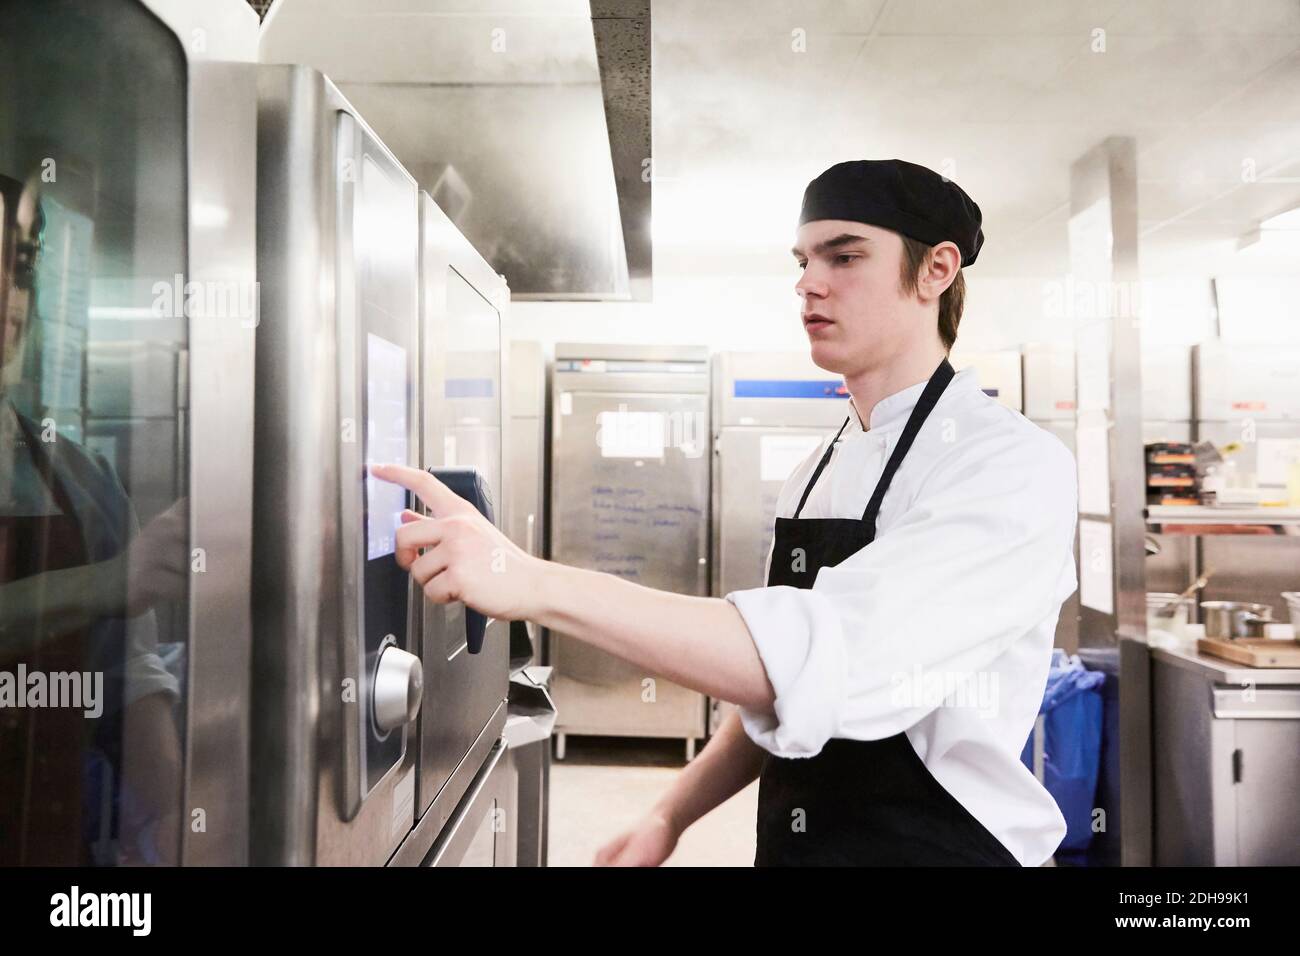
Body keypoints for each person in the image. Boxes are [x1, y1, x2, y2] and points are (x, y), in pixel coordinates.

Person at [373, 159, 1079, 867]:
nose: (809, 282)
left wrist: (530, 581)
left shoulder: (1008, 467)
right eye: (803, 260)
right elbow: (772, 689)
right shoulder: (817, 471)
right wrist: (669, 814)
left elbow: (816, 659)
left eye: (845, 255)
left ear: (937, 270)